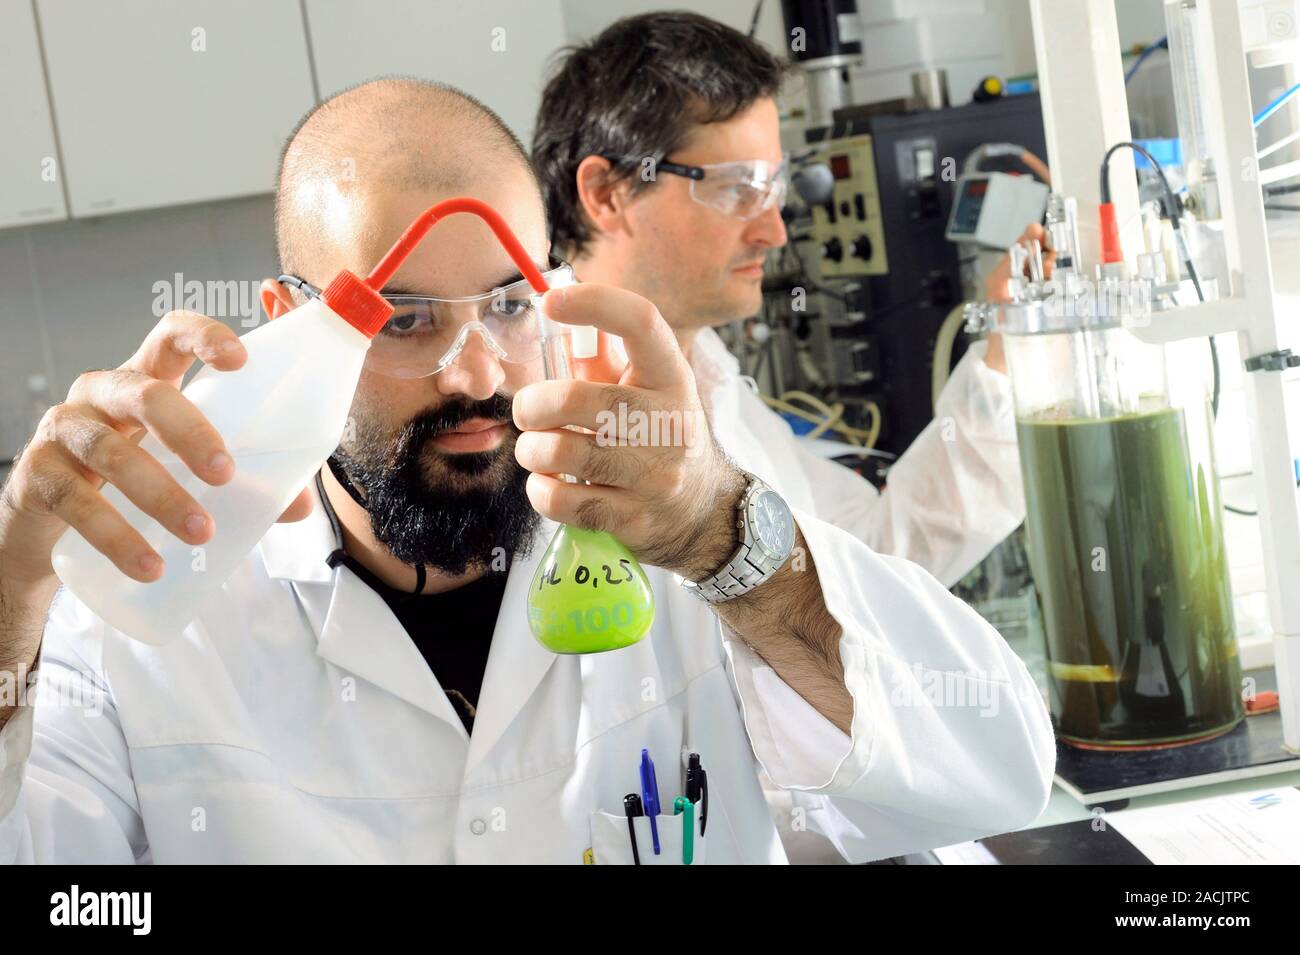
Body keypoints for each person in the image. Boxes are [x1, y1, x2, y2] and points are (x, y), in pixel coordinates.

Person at [0, 78, 1053, 864]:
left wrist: (728, 540)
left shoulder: (684, 551)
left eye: (509, 306)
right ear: (286, 328)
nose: (475, 372)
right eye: (401, 318)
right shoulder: (148, 627)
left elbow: (994, 773)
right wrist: (13, 599)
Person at [532, 11, 1053, 590]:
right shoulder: (529, 420)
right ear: (608, 194)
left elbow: (871, 559)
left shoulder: (715, 381)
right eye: (739, 190)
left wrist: (1004, 347)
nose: (774, 232)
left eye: (773, 189)